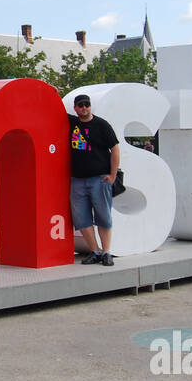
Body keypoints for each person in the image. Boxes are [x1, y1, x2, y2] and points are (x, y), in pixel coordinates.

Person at [68, 93, 120, 266]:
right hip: (78, 180)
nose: (84, 108)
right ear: (75, 108)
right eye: (80, 105)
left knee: (103, 216)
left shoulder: (102, 125)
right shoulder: (71, 123)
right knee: (81, 219)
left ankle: (107, 252)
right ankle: (95, 251)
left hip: (100, 179)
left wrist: (112, 175)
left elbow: (115, 149)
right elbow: (52, 110)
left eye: (87, 105)